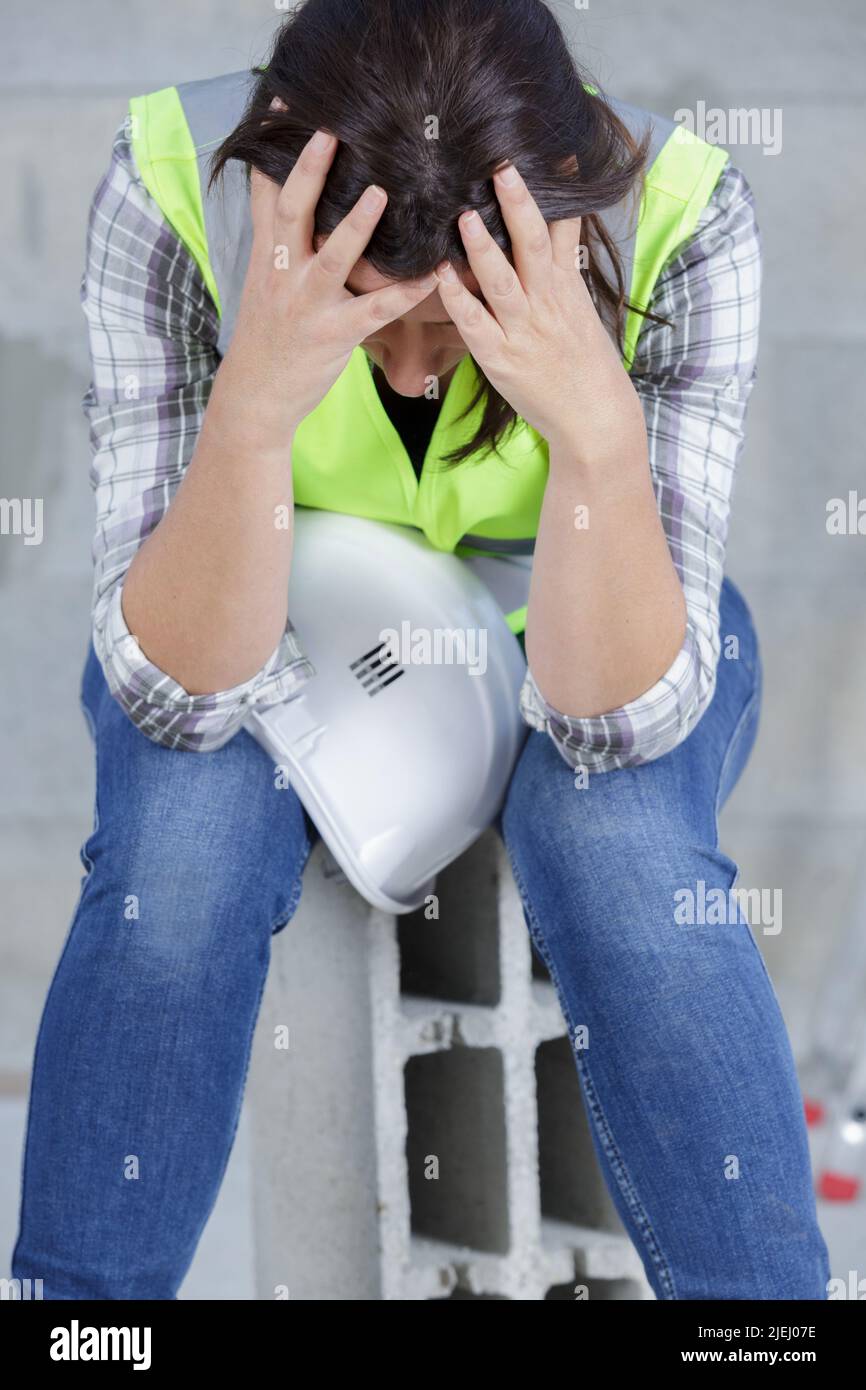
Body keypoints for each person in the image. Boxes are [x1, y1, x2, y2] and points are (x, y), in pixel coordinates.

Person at [12, 0, 830, 1300]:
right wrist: (256, 402)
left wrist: (592, 433)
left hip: (588, 615)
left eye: (448, 334)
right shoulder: (174, 182)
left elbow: (618, 714)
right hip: (265, 612)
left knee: (619, 847)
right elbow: (176, 692)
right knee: (179, 850)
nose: (402, 371)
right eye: (364, 310)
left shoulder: (679, 216)